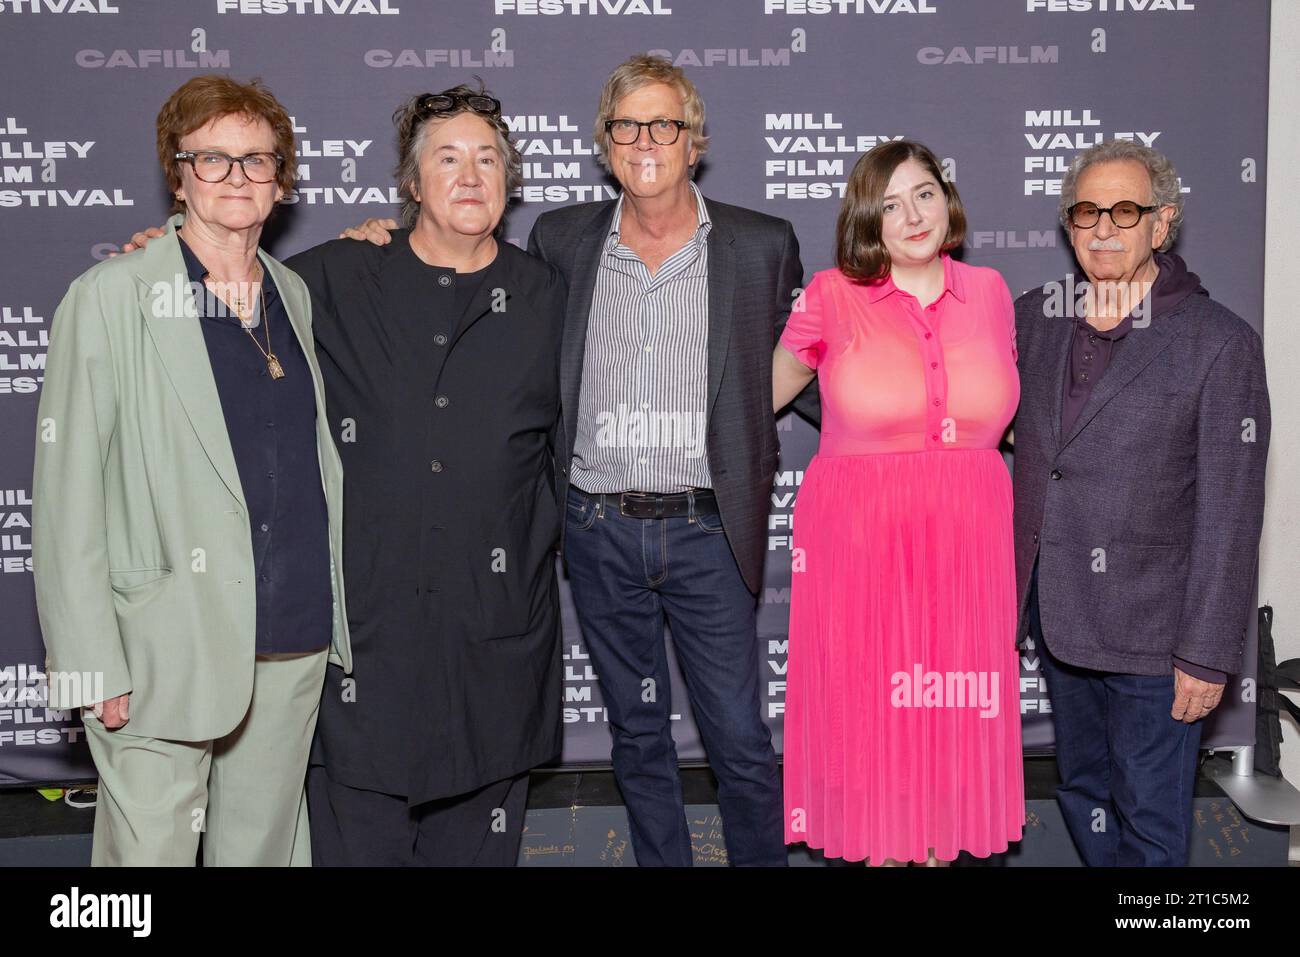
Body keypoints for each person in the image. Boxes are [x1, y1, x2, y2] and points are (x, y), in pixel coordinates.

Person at [342, 54, 816, 866]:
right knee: (637, 730)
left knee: (739, 737)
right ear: (605, 143)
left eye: (663, 123)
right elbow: (465, 272)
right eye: (626, 125)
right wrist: (375, 241)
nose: (645, 140)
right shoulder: (562, 239)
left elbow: (812, 350)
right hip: (597, 531)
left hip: (708, 530)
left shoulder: (758, 244)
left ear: (693, 140)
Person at [121, 84, 567, 866]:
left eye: (488, 158)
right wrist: (153, 255)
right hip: (360, 662)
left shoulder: (551, 299)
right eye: (448, 158)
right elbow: (211, 277)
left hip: (494, 653)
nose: (470, 176)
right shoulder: (321, 281)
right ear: (410, 181)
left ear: (511, 177)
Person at [34, 75, 349, 866]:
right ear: (179, 176)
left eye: (257, 160)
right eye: (212, 159)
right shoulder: (111, 297)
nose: (237, 178)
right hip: (157, 647)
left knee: (262, 854)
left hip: (290, 634)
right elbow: (67, 494)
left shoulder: (293, 293)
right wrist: (88, 659)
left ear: (282, 179)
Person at [1012, 140, 1270, 866]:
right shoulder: (1036, 318)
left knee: (1151, 820)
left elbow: (1231, 514)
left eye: (1125, 211)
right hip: (1061, 618)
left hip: (1160, 640)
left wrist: (1208, 653)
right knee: (1086, 796)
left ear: (1163, 223)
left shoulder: (1221, 344)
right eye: (1086, 211)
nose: (1102, 228)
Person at [774, 140, 1025, 866]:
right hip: (860, 552)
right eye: (888, 203)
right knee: (872, 738)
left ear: (947, 199)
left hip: (970, 549)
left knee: (951, 730)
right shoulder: (829, 295)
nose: (911, 214)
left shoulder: (992, 290)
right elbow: (755, 400)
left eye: (923, 192)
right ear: (866, 220)